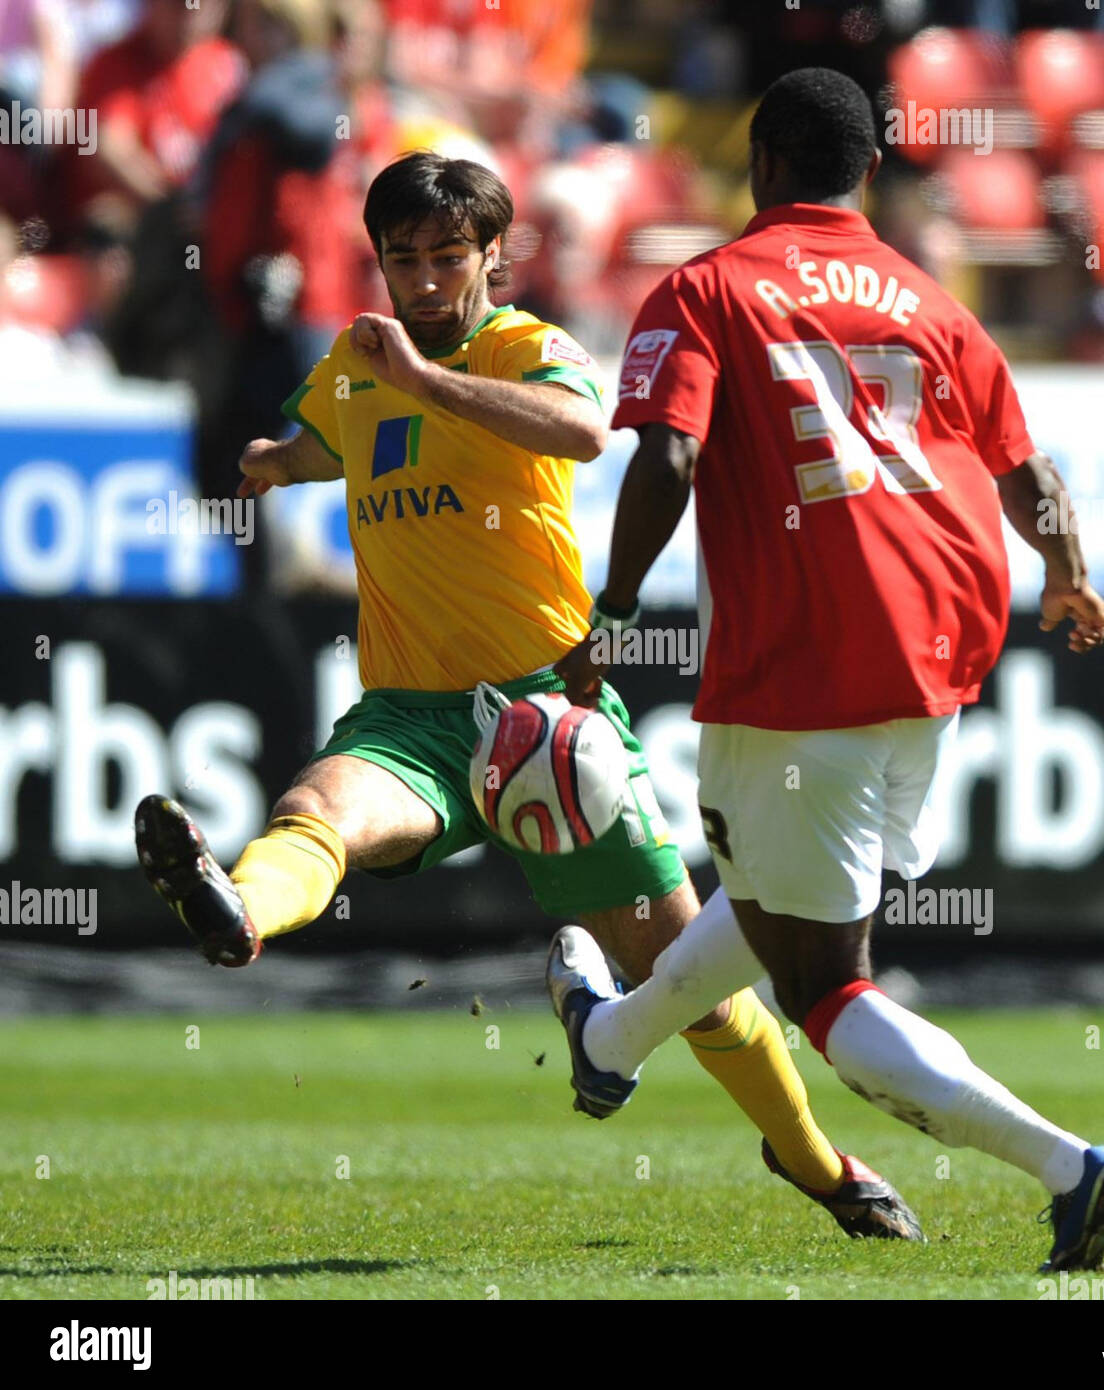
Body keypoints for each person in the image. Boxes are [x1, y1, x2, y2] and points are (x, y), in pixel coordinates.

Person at [133, 148, 924, 1243]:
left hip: (550, 720)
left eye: (447, 255)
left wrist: (419, 378)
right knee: (314, 811)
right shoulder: (357, 363)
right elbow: (333, 439)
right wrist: (275, 458)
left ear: (493, 255)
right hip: (409, 713)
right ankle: (238, 912)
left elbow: (587, 433)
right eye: (400, 257)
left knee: (683, 978)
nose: (421, 279)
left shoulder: (525, 348)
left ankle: (822, 1165)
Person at [547, 67, 1104, 1273]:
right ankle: (610, 1040)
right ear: (868, 171)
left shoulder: (708, 287)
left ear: (760, 164)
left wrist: (609, 610)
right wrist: (1068, 572)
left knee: (825, 985)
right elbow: (1028, 472)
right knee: (773, 895)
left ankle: (1068, 1167)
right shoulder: (933, 300)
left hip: (801, 658)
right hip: (934, 654)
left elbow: (665, 454)